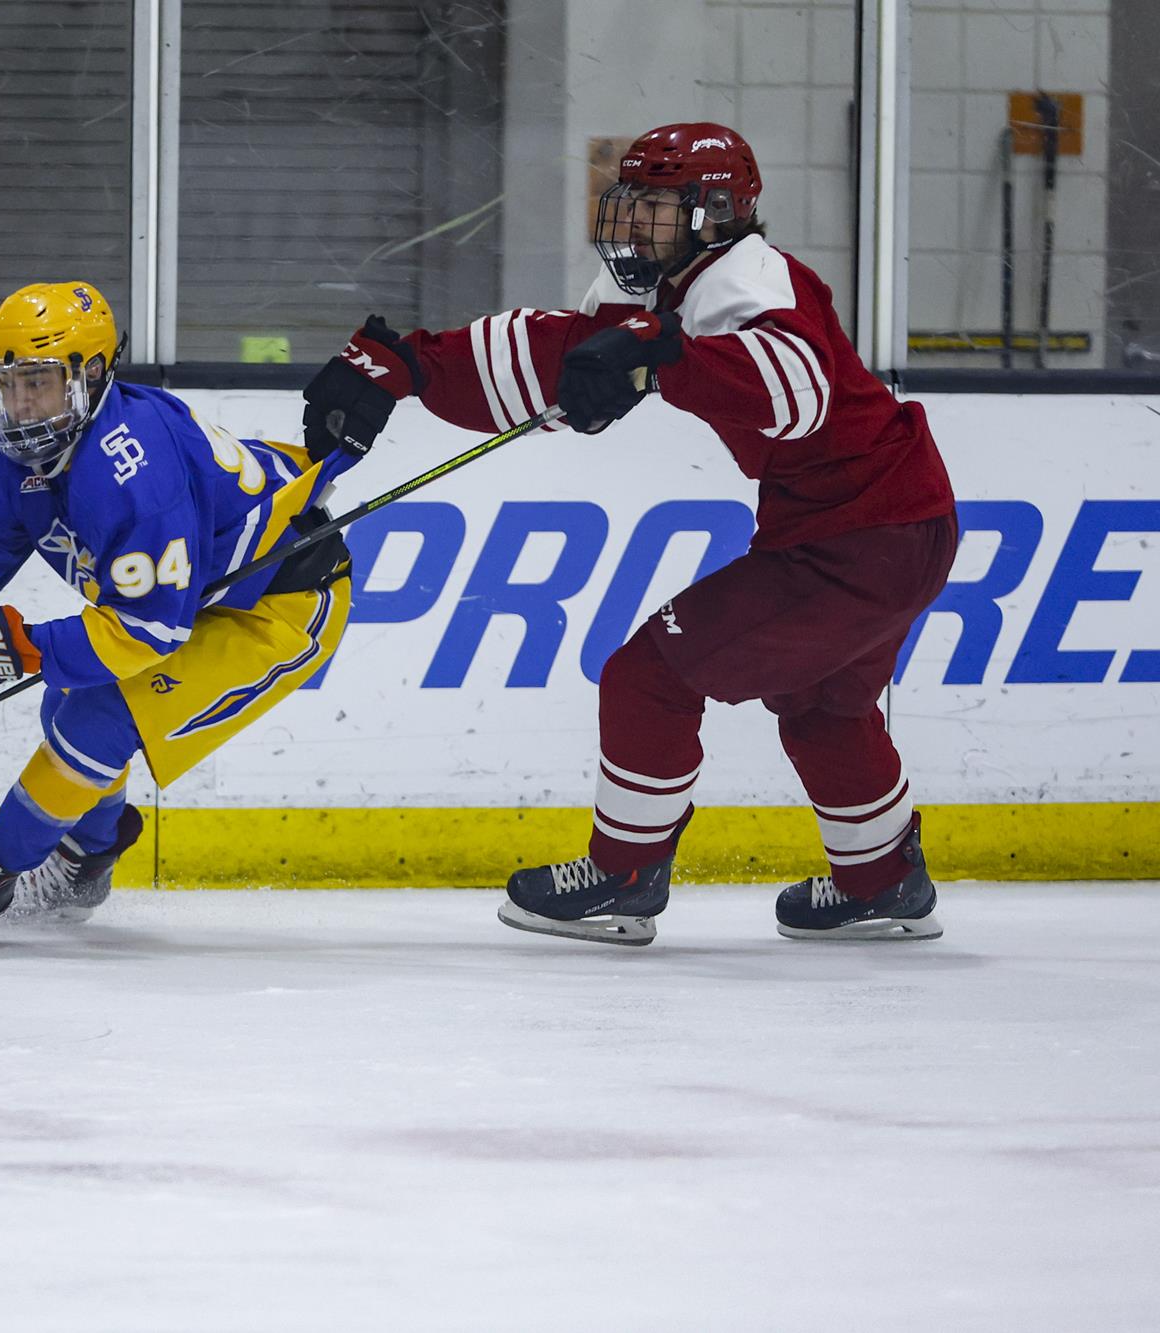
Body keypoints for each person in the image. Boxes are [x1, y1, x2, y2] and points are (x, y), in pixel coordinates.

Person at [302, 122, 957, 944]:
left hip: (860, 539)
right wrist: (411, 366)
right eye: (631, 201)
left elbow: (799, 392)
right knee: (825, 702)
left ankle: (624, 875)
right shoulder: (670, 284)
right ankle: (883, 878)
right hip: (888, 523)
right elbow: (562, 350)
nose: (631, 222)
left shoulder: (754, 277)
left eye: (654, 205)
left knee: (649, 674)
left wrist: (667, 356)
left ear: (716, 211)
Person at [0, 281, 370, 941]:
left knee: (96, 715)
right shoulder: (3, 458)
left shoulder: (133, 473)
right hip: (187, 594)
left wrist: (21, 646)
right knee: (68, 702)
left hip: (278, 600)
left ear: (91, 374)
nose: (19, 404)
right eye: (6, 384)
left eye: (37, 382)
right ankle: (82, 863)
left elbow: (149, 628)